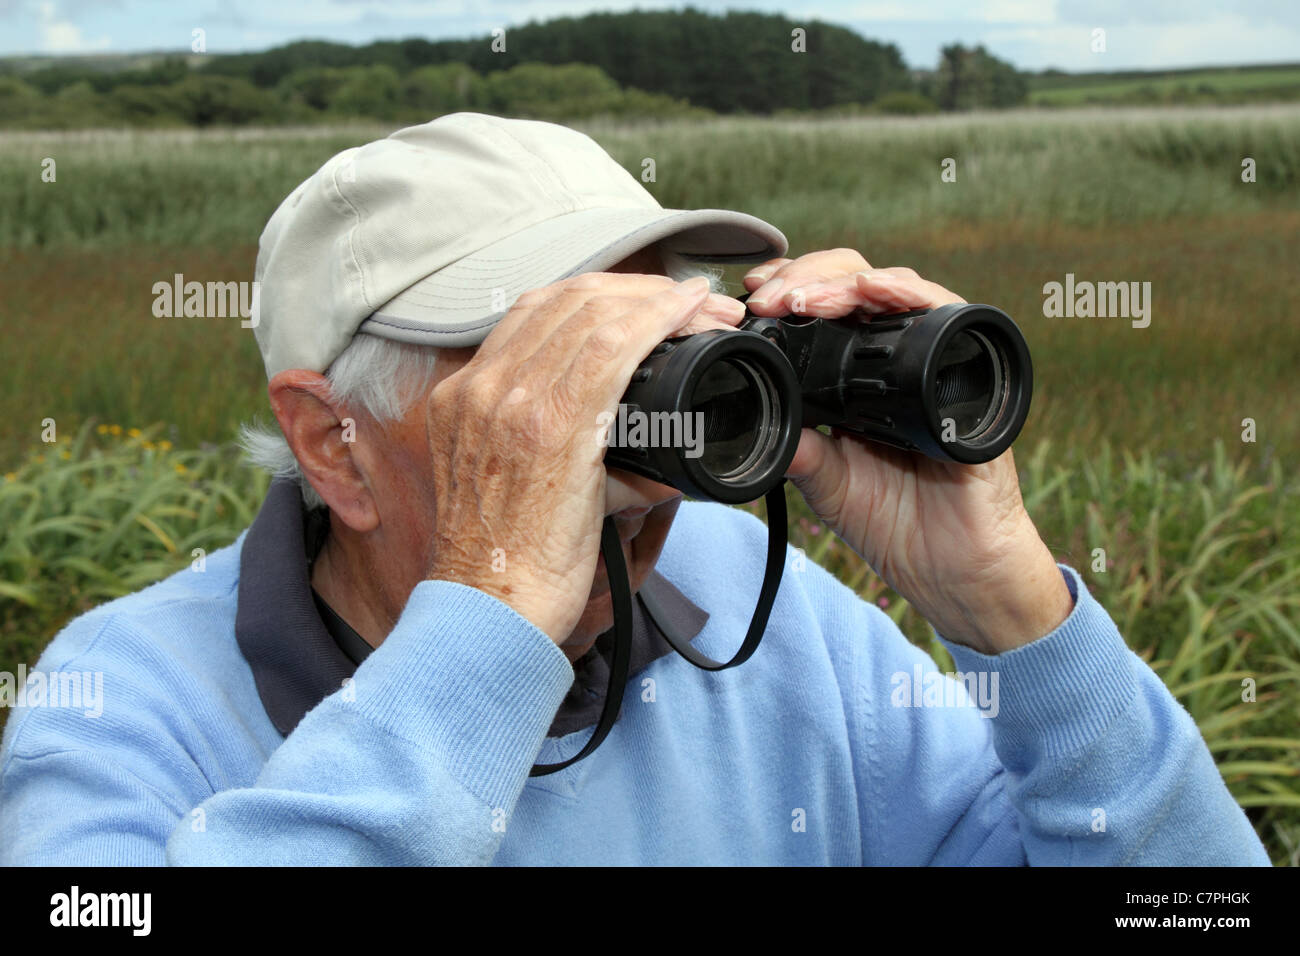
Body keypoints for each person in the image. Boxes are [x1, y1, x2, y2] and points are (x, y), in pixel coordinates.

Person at [0, 112, 1268, 865]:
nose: (624, 417)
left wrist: (1015, 622)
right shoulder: (118, 710)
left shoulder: (773, 627)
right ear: (335, 443)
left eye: (659, 347)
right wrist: (490, 629)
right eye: (549, 364)